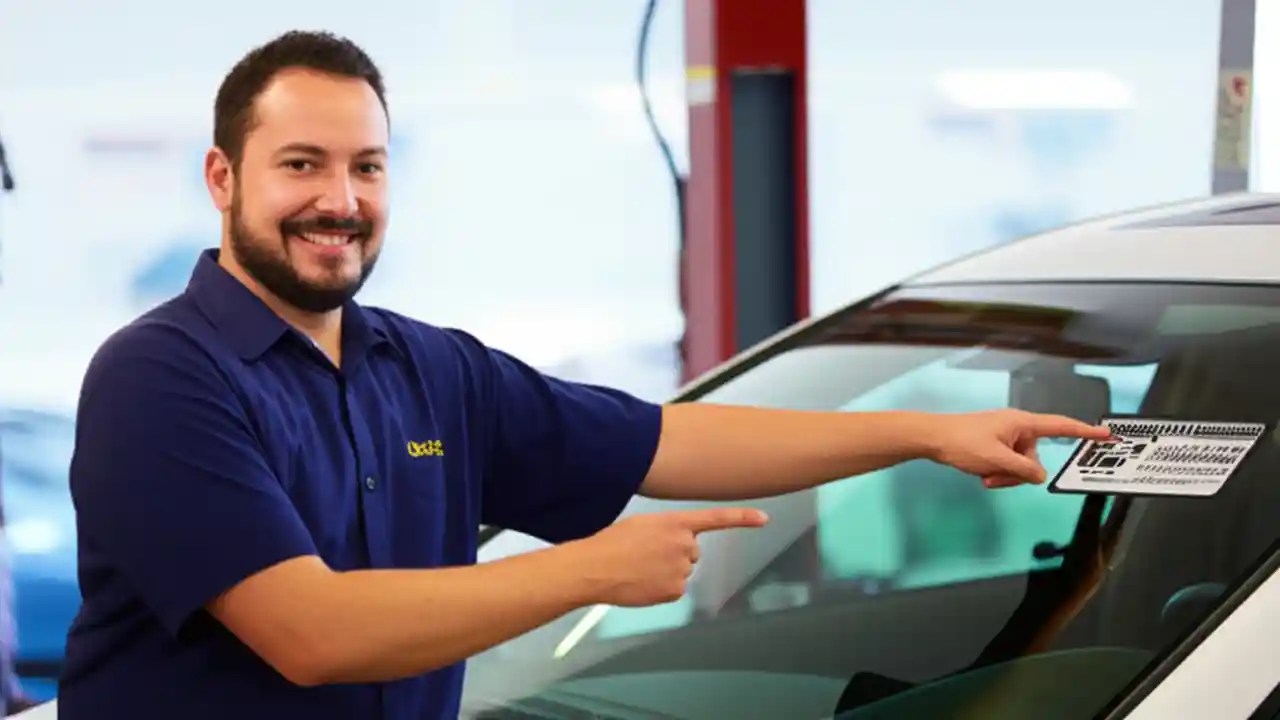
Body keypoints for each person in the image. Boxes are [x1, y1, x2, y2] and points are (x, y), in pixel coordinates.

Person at [56, 30, 1111, 720]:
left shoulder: (427, 370)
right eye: (301, 165)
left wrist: (921, 435)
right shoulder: (159, 380)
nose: (340, 198)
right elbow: (312, 634)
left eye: (366, 166)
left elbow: (670, 439)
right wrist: (593, 572)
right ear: (221, 178)